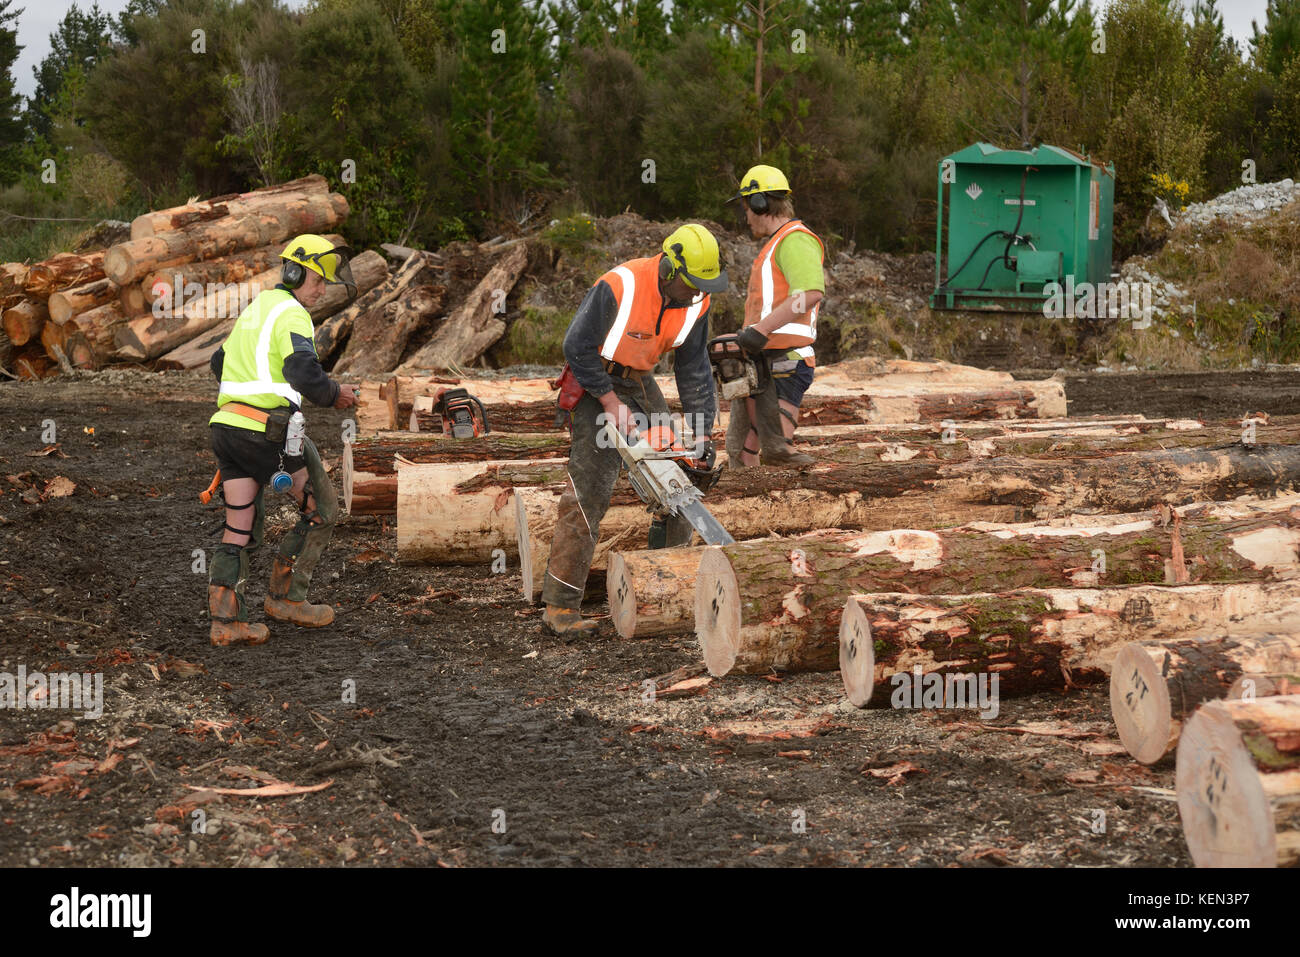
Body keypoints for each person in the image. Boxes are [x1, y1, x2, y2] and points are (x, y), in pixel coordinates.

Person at [542, 224, 725, 636]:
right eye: (692, 284)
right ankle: (560, 607)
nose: (698, 293)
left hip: (641, 381)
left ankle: (664, 586)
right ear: (669, 270)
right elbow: (576, 346)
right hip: (595, 381)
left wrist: (701, 432)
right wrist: (609, 402)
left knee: (679, 477)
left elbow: (694, 368)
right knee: (590, 490)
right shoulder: (621, 284)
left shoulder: (698, 302)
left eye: (704, 286)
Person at [205, 234, 358, 647]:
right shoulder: (292, 314)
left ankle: (226, 622)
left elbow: (219, 361)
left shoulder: (256, 309)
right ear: (294, 271)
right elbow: (304, 373)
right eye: (317, 279)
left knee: (238, 528)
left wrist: (245, 396)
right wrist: (334, 393)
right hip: (268, 434)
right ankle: (287, 598)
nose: (322, 289)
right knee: (323, 509)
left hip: (227, 429)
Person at [725, 164, 825, 468]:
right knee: (740, 452)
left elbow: (809, 294)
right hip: (761, 360)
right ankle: (745, 511)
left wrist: (760, 330)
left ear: (759, 204)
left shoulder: (795, 240)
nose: (746, 217)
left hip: (785, 360)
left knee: (776, 453)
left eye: (747, 208)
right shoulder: (776, 243)